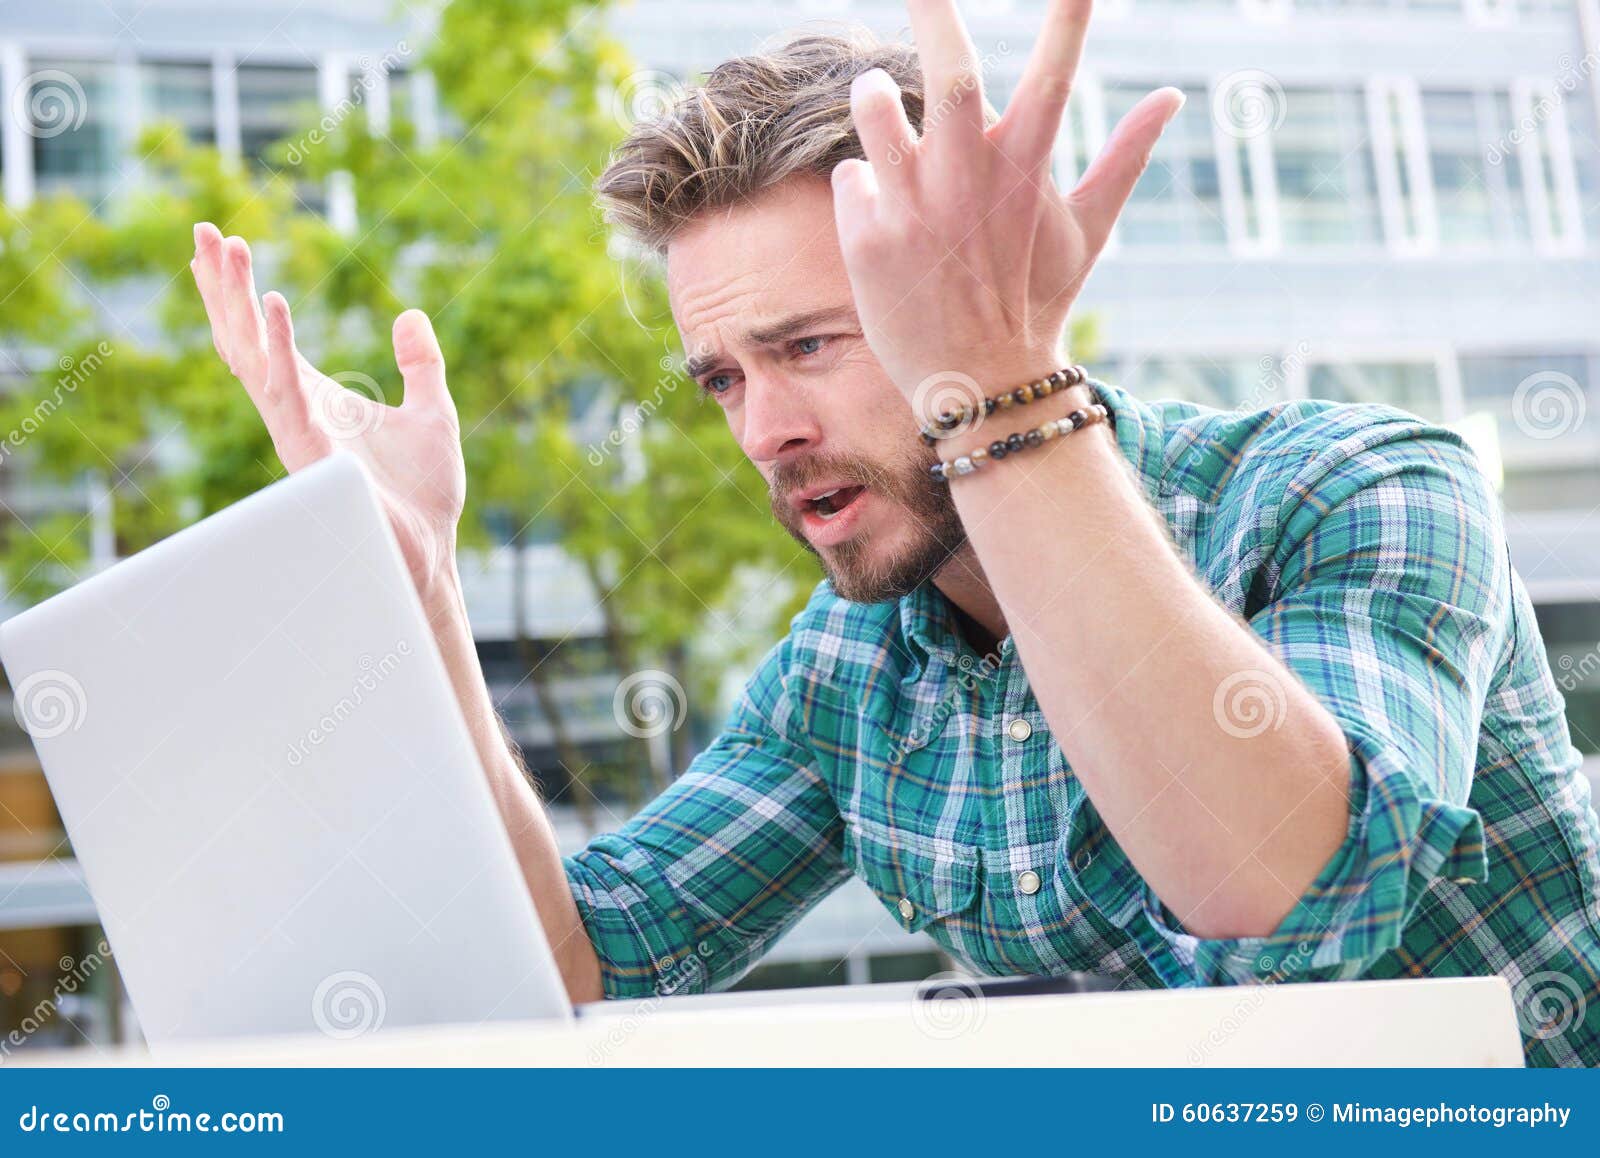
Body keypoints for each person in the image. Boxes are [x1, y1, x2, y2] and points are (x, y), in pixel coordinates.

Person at [187, 0, 1599, 1066]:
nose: (761, 429)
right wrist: (420, 584)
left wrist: (990, 383)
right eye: (726, 376)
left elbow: (1293, 891)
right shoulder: (850, 674)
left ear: (975, 291)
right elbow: (594, 968)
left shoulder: (1355, 485)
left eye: (809, 345)